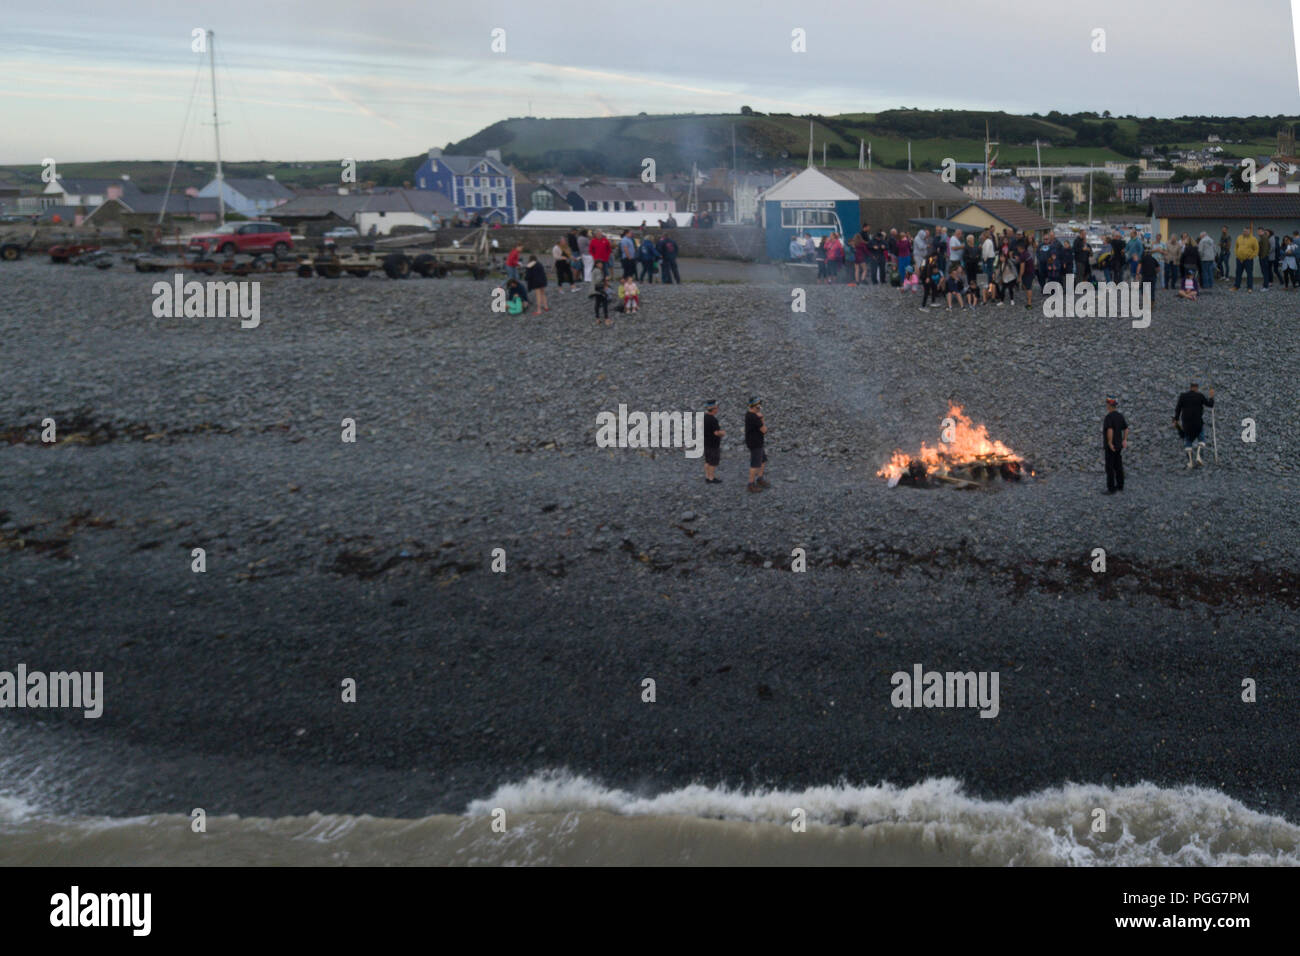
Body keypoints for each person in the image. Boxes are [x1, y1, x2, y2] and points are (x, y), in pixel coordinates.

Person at [1174, 383, 1215, 468]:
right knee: (1201, 438)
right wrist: (1211, 396)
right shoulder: (1200, 396)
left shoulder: (1183, 396)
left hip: (1187, 424)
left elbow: (1178, 409)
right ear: (1196, 388)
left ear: (1190, 388)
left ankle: (1190, 462)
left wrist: (1176, 419)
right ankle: (1198, 456)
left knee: (1188, 439)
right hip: (1197, 423)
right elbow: (1210, 405)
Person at [1103, 397, 1127, 494]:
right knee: (1118, 466)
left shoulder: (1108, 417)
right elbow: (1126, 428)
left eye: (1107, 404)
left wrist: (1109, 442)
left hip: (1111, 446)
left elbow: (1110, 430)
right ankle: (1120, 486)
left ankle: (1111, 489)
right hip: (1118, 445)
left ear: (1109, 405)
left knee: (1109, 467)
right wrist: (1124, 440)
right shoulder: (1120, 416)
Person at [744, 397, 768, 494]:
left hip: (756, 441)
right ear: (754, 406)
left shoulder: (749, 414)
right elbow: (764, 430)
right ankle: (751, 484)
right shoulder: (754, 417)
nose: (759, 408)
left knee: (763, 460)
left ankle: (760, 478)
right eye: (758, 406)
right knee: (755, 464)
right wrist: (762, 418)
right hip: (755, 443)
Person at [702, 401, 724, 483]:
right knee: (713, 462)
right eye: (716, 408)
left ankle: (707, 477)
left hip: (706, 443)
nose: (717, 409)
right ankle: (711, 478)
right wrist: (722, 433)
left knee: (707, 461)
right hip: (713, 444)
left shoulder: (705, 417)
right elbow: (716, 433)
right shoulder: (713, 420)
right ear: (713, 409)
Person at [1233, 225, 1258, 291]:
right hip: (1239, 259)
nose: (1245, 232)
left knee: (1249, 274)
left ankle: (1249, 287)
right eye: (1244, 231)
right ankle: (1236, 286)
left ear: (1249, 231)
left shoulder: (1253, 239)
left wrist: (1251, 257)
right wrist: (1237, 254)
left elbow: (1256, 249)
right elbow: (1236, 247)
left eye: (1246, 231)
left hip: (1248, 260)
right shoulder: (1239, 237)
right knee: (1238, 273)